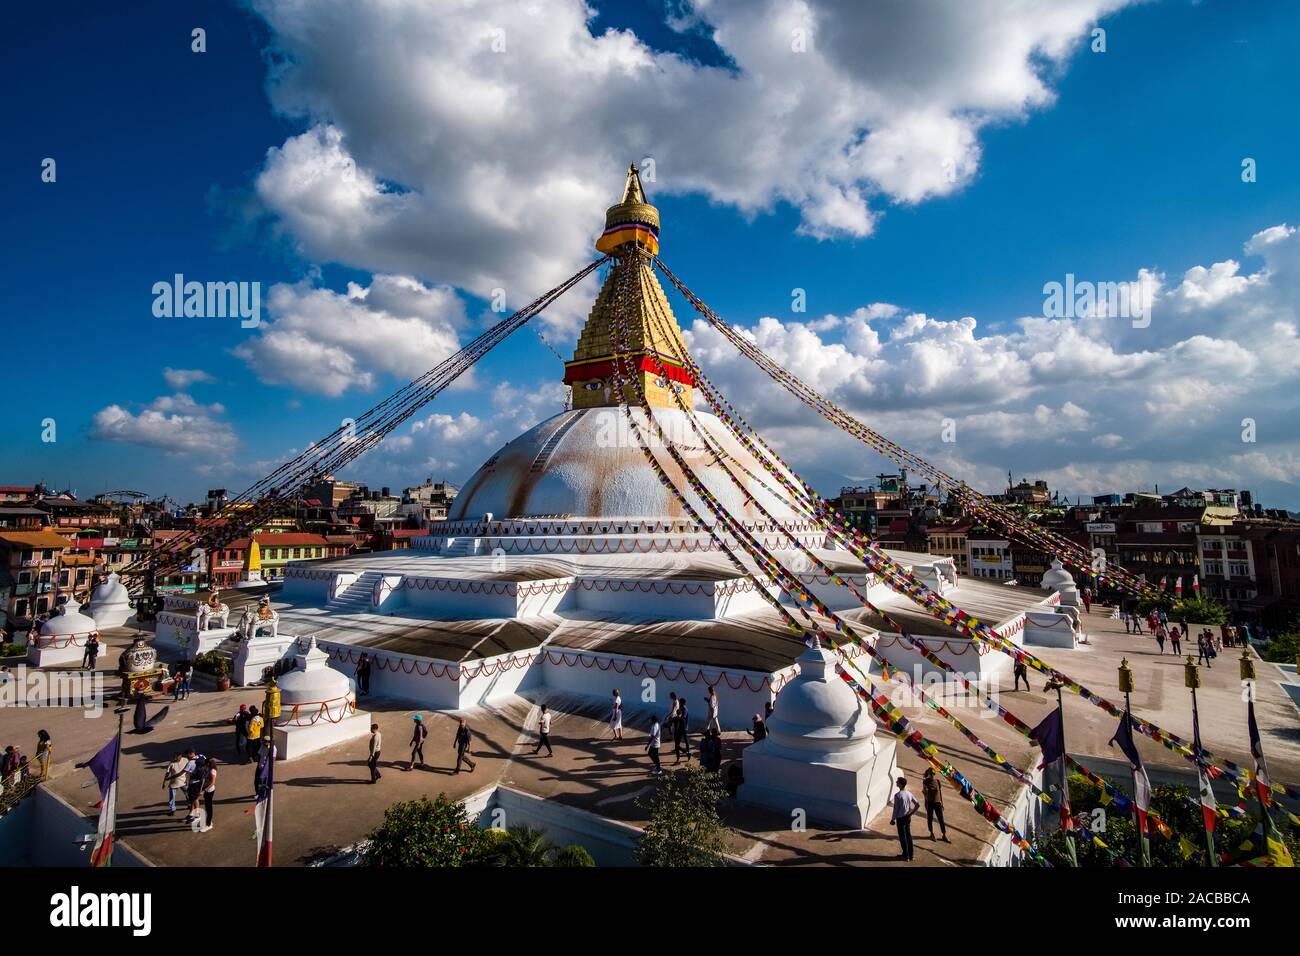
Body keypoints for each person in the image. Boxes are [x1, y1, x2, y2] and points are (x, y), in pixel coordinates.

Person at [890, 776, 921, 861]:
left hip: (900, 818)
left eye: (897, 782)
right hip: (908, 817)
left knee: (902, 837)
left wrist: (893, 819)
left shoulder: (897, 795)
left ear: (900, 784)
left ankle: (905, 856)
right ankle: (910, 855)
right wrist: (911, 813)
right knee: (908, 836)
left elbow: (896, 809)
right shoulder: (909, 793)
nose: (896, 782)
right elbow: (917, 804)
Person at [921, 767, 948, 841]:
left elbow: (940, 793)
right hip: (930, 802)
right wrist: (926, 802)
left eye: (934, 773)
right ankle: (931, 834)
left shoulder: (938, 781)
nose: (933, 775)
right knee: (930, 819)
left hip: (937, 803)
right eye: (931, 773)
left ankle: (944, 835)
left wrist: (942, 803)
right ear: (928, 774)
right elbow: (924, 792)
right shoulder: (925, 782)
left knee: (941, 819)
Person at [163, 751, 188, 815]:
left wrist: (187, 779)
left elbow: (188, 770)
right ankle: (172, 810)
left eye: (177, 757)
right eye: (175, 757)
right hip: (174, 783)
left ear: (180, 756)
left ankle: (190, 804)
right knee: (172, 797)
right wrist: (164, 782)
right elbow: (167, 773)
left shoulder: (185, 760)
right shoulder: (172, 763)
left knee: (188, 794)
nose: (175, 758)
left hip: (183, 781)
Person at [200, 757, 218, 832]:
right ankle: (209, 822)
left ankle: (209, 824)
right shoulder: (209, 769)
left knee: (209, 808)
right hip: (207, 790)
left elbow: (213, 782)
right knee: (207, 807)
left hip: (209, 791)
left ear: (208, 764)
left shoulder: (212, 771)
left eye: (205, 764)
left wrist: (205, 790)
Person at [674, 696, 691, 764]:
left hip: (682, 729)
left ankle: (686, 753)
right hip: (680, 730)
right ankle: (686, 753)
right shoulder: (681, 708)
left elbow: (682, 719)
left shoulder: (684, 709)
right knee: (677, 745)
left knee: (680, 743)